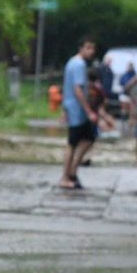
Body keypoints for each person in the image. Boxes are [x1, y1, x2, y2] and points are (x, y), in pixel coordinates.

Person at [59, 36, 97, 190]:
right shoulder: (79, 64)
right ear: (81, 48)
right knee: (73, 143)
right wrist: (88, 110)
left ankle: (72, 171)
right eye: (88, 48)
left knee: (87, 138)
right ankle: (66, 175)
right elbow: (77, 89)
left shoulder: (71, 63)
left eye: (92, 48)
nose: (91, 51)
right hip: (78, 110)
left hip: (73, 108)